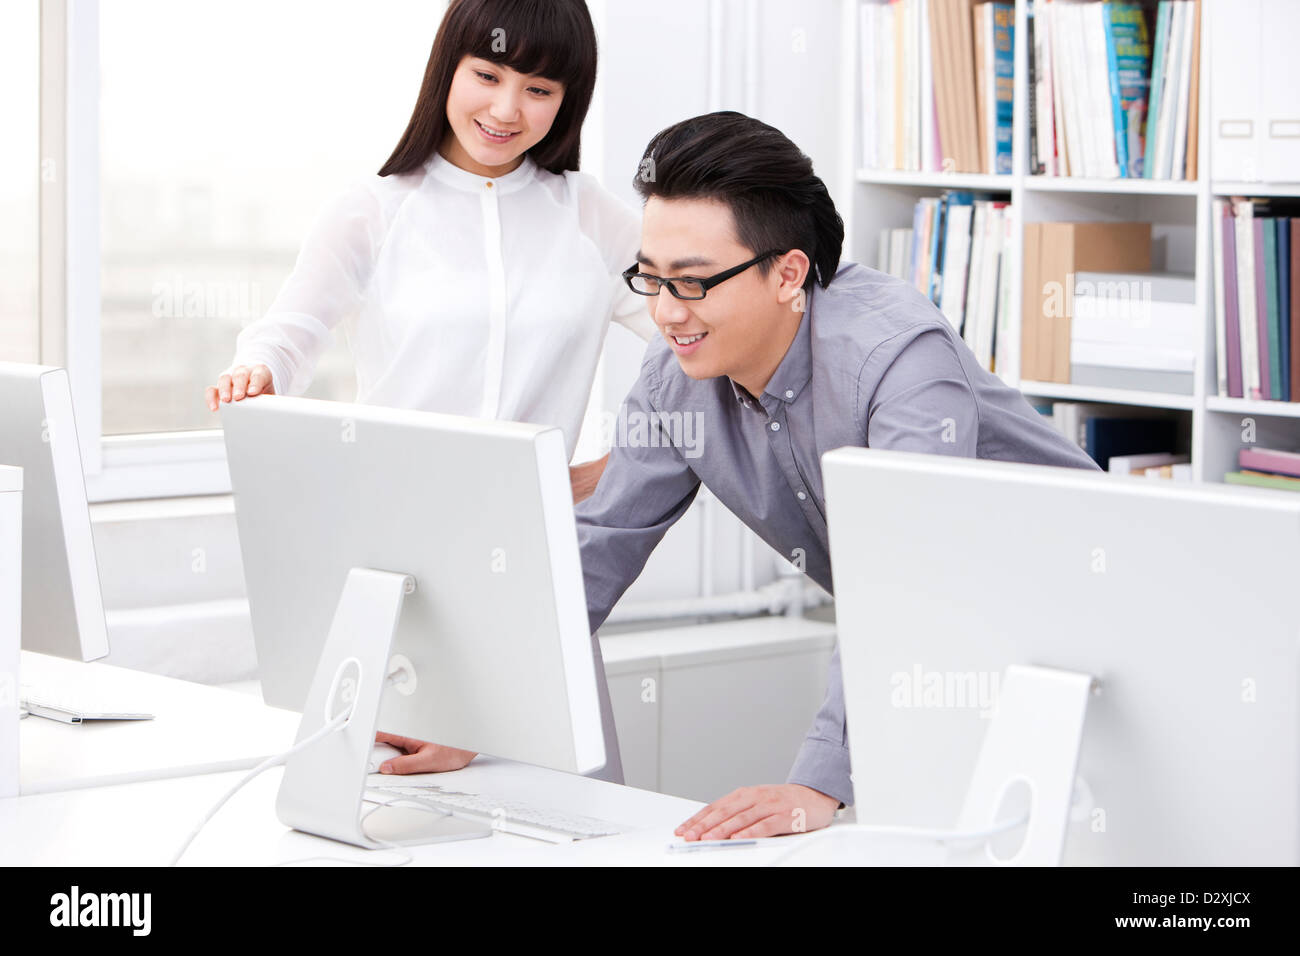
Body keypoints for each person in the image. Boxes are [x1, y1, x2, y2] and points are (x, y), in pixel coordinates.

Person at [574, 110, 1104, 840]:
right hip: (950, 644)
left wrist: (818, 780)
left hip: (1094, 626)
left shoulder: (895, 356)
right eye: (651, 279)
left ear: (789, 272)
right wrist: (478, 717)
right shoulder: (675, 380)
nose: (665, 312)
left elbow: (907, 575)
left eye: (692, 283)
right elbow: (599, 544)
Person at [205, 0, 654, 512]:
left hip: (534, 533)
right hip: (386, 524)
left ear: (566, 100)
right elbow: (288, 334)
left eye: (538, 89)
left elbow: (698, 330)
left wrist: (618, 467)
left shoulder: (589, 215)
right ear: (448, 68)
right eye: (487, 75)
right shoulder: (373, 210)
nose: (507, 110)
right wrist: (257, 369)